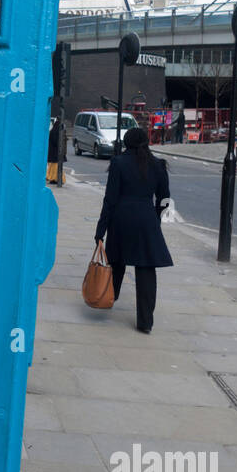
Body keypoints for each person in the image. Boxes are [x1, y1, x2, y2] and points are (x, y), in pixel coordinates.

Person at [94, 127, 173, 334]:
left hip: (121, 218)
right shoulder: (158, 165)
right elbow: (165, 199)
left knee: (116, 261)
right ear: (146, 142)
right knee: (146, 268)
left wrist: (100, 230)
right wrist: (155, 218)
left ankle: (109, 297)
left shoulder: (118, 163)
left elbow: (110, 199)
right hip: (146, 218)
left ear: (126, 143)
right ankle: (145, 322)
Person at [47, 116, 65, 185]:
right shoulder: (57, 131)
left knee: (53, 167)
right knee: (55, 166)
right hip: (55, 153)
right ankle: (55, 179)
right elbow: (56, 142)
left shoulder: (53, 130)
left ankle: (53, 178)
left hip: (53, 153)